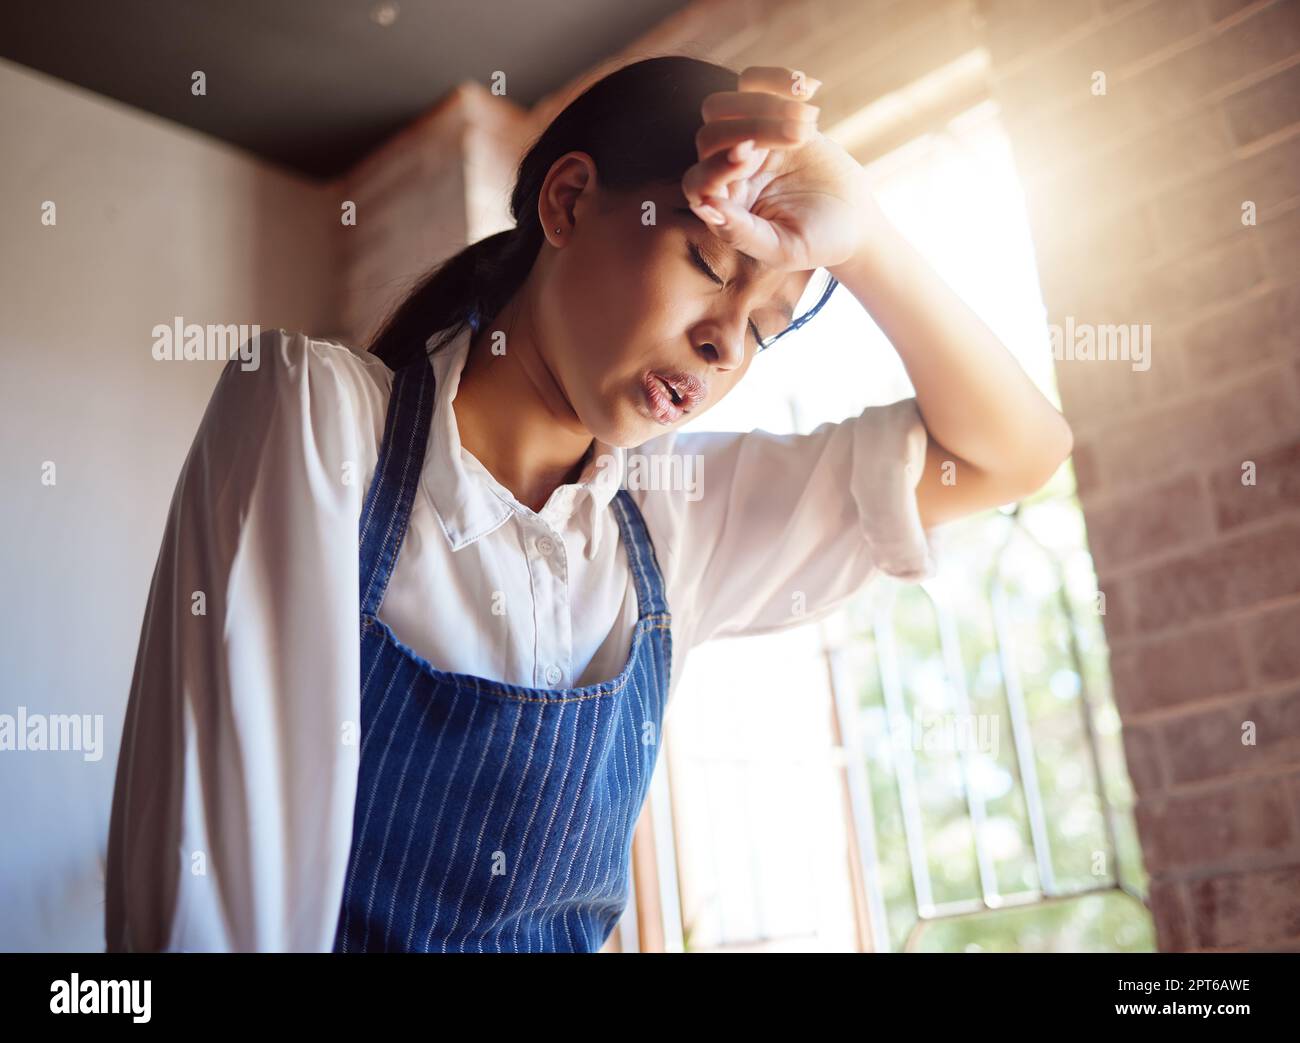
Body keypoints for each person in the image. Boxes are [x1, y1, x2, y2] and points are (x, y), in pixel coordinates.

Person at [105, 56, 1073, 953]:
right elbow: (216, 886)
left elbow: (1011, 455)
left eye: (764, 326)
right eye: (709, 265)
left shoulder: (673, 519)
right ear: (568, 201)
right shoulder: (320, 417)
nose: (725, 344)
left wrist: (865, 235)